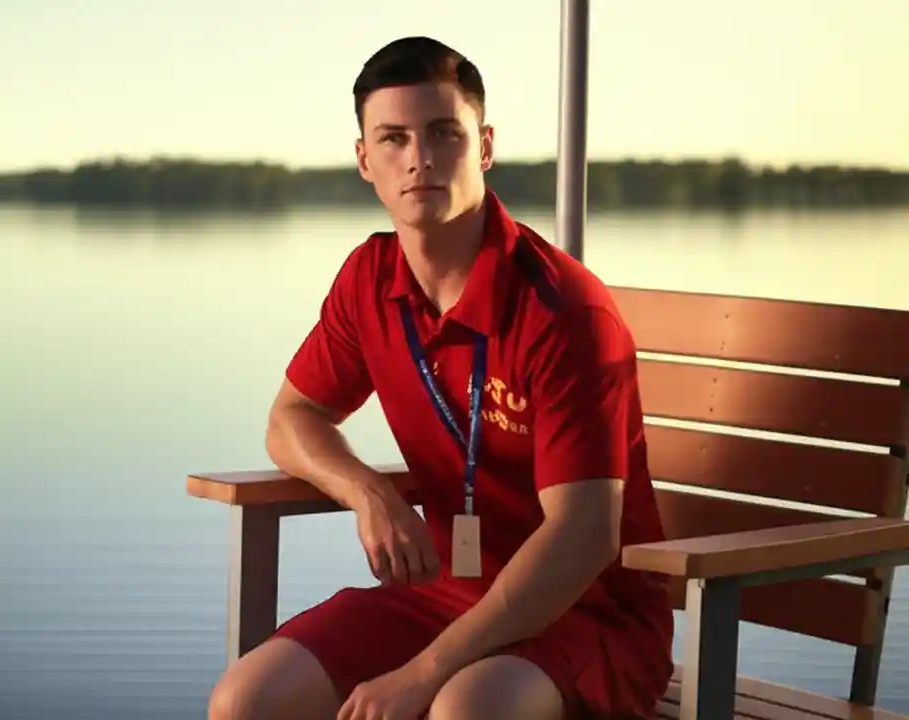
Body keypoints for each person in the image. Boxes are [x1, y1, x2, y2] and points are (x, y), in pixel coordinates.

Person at [207, 36, 674, 720]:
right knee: (245, 700)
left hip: (587, 613)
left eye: (442, 133)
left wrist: (421, 674)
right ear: (364, 160)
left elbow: (583, 538)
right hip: (449, 591)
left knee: (462, 709)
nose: (418, 158)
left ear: (483, 147)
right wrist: (366, 491)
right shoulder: (370, 279)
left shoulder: (562, 310)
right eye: (393, 138)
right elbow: (291, 419)